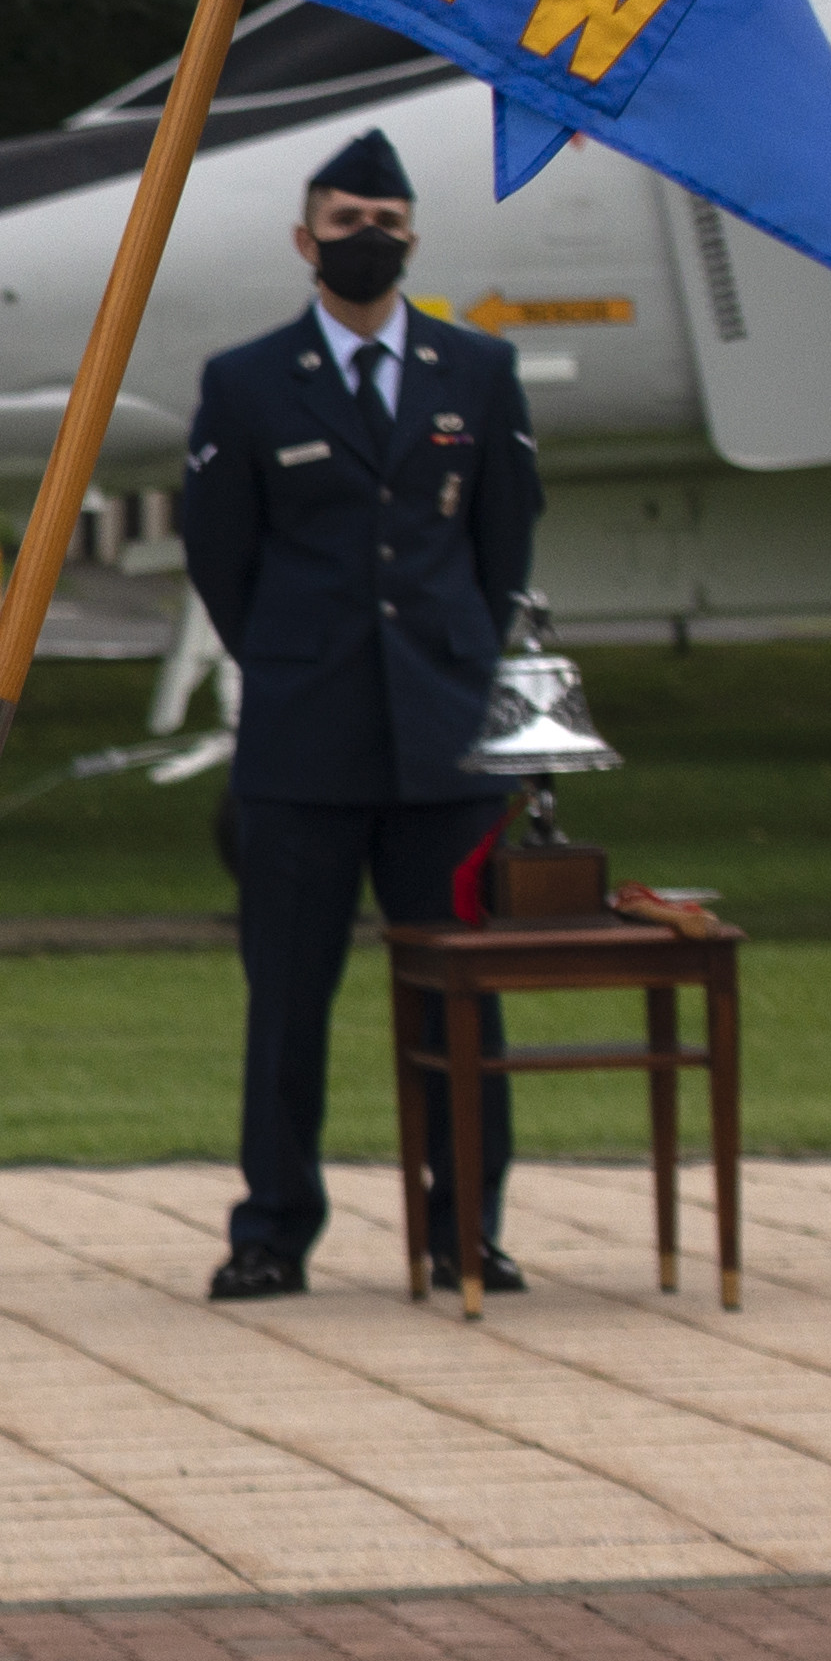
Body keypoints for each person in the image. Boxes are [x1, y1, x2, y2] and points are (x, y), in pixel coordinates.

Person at [185, 121, 543, 1302]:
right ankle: (272, 1228)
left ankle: (464, 1230)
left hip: (446, 744)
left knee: (460, 998)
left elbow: (501, 547)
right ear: (305, 239)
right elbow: (222, 559)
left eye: (386, 225)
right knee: (288, 1001)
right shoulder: (244, 383)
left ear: (412, 238)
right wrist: (293, 661)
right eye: (346, 225)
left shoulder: (476, 373)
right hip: (305, 739)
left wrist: (451, 662)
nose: (367, 241)